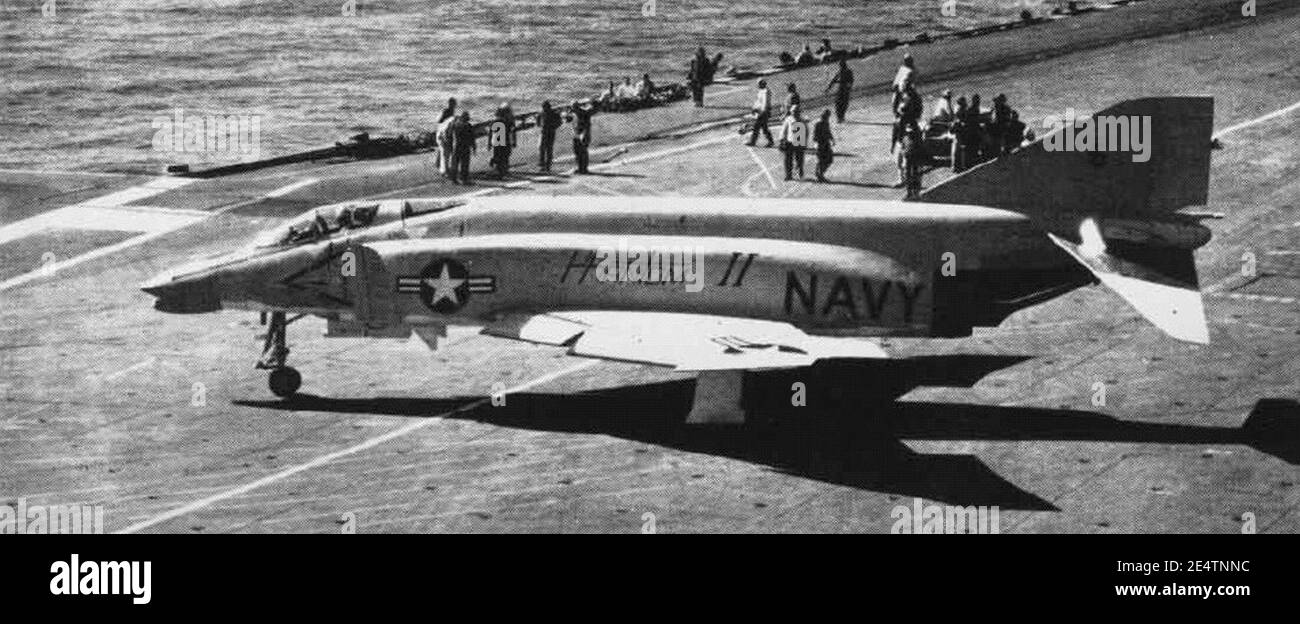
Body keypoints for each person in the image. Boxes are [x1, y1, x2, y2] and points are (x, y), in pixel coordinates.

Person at [779, 105, 806, 181]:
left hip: (799, 142)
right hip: (789, 142)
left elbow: (805, 132)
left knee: (799, 159)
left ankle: (800, 173)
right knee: (788, 160)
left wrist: (804, 143)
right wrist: (781, 140)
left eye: (796, 112)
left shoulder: (802, 120)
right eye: (793, 111)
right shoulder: (788, 119)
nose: (794, 113)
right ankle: (788, 175)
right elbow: (784, 130)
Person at [897, 122, 924, 200]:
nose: (910, 132)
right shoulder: (905, 138)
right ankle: (909, 193)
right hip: (908, 159)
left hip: (916, 159)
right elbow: (902, 147)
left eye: (911, 131)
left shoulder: (918, 138)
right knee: (908, 176)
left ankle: (916, 193)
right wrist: (903, 154)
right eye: (908, 131)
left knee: (916, 176)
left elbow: (921, 149)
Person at [567, 100, 595, 174]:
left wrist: (584, 134)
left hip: (583, 134)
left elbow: (586, 125)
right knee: (577, 152)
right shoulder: (575, 113)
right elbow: (569, 120)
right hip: (576, 134)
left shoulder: (584, 113)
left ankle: (584, 168)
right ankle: (580, 167)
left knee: (582, 152)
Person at [489, 103, 515, 178]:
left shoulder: (495, 120)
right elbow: (512, 131)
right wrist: (513, 141)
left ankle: (499, 169)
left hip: (498, 141)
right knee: (504, 156)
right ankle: (502, 170)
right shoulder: (507, 121)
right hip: (504, 141)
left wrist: (490, 143)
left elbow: (491, 132)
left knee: (499, 155)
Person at [449, 111, 476, 185]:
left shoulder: (454, 124)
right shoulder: (468, 126)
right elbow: (472, 138)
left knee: (455, 163)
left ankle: (453, 179)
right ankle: (464, 179)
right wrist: (474, 147)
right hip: (465, 147)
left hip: (456, 146)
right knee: (465, 164)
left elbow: (449, 135)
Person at [825, 58, 854, 123]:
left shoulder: (845, 71)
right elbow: (834, 80)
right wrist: (828, 88)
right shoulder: (843, 71)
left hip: (843, 90)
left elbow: (834, 80)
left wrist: (828, 88)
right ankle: (840, 117)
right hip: (843, 90)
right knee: (841, 104)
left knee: (841, 104)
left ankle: (841, 117)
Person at [746, 79, 774, 147]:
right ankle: (770, 141)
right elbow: (758, 101)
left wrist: (760, 111)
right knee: (763, 128)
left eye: (759, 84)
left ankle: (753, 142)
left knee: (757, 127)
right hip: (760, 112)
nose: (758, 85)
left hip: (764, 112)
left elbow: (765, 104)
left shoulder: (766, 92)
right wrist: (754, 108)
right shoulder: (761, 91)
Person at [537, 100, 563, 172]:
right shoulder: (543, 113)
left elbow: (559, 122)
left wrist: (553, 127)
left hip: (549, 133)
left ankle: (547, 165)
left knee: (547, 149)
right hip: (545, 132)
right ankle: (543, 165)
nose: (544, 108)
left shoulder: (552, 113)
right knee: (543, 149)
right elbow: (538, 122)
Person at [813, 109, 834, 182]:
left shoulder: (826, 122)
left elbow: (828, 132)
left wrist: (832, 139)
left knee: (829, 159)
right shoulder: (818, 123)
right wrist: (819, 144)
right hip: (820, 144)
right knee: (821, 160)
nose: (827, 117)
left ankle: (819, 173)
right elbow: (815, 136)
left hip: (826, 143)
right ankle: (820, 175)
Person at [435, 111, 456, 177]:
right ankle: (444, 171)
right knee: (445, 155)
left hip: (440, 137)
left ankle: (440, 166)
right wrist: (447, 141)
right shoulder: (451, 123)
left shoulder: (447, 121)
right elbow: (446, 133)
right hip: (442, 138)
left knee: (443, 154)